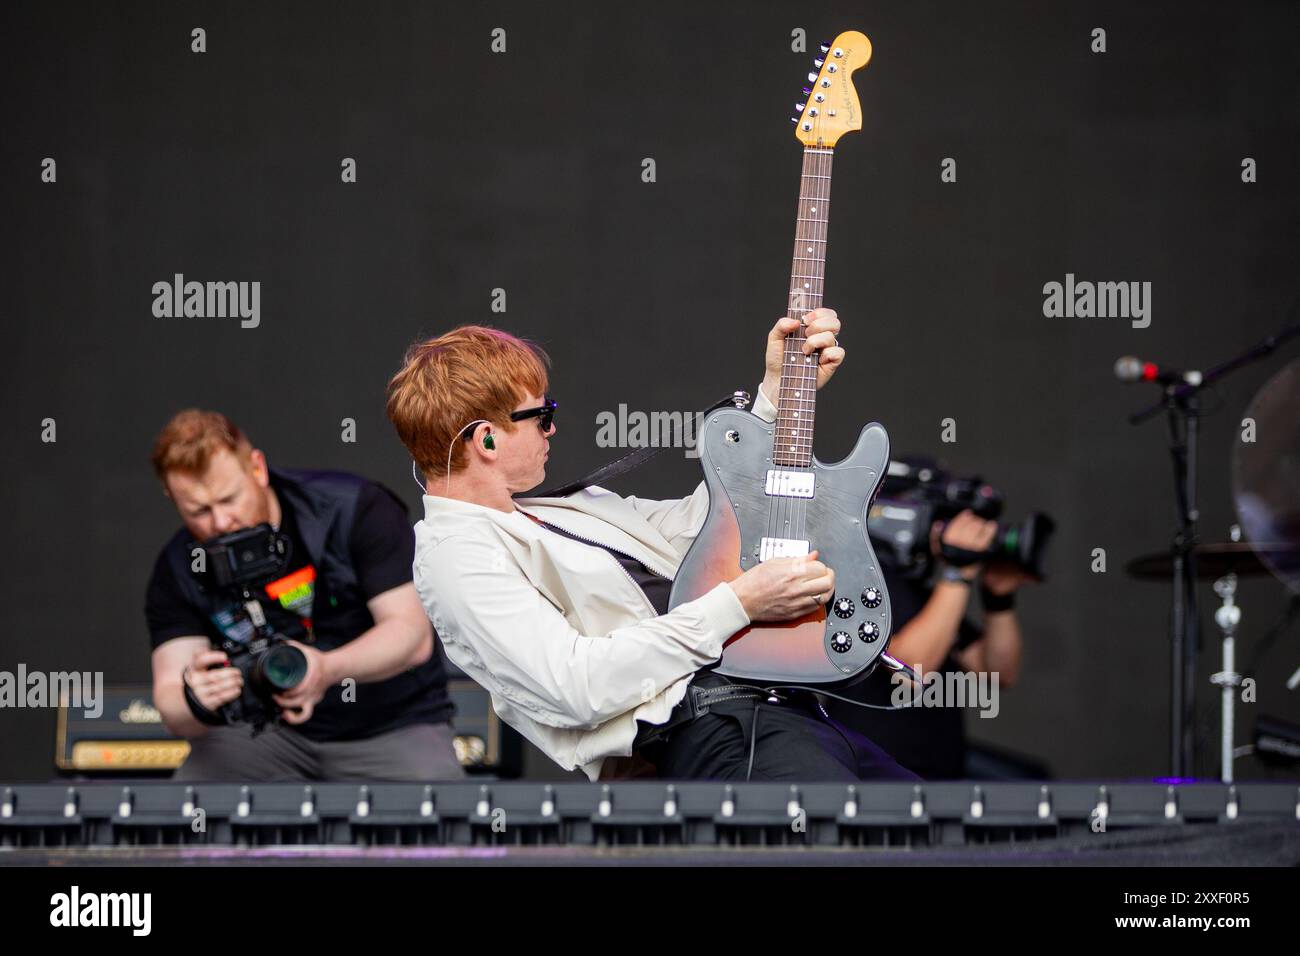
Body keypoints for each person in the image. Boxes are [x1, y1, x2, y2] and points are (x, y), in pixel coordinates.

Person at [387, 312, 918, 782]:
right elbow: (575, 685)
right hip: (710, 730)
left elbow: (707, 527)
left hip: (783, 713)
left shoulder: (553, 509)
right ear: (486, 440)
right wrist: (739, 605)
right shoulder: (455, 553)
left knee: (942, 840)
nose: (553, 428)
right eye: (542, 414)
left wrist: (776, 395)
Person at [144, 410, 464, 781]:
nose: (219, 522)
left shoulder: (354, 508)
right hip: (262, 736)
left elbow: (411, 635)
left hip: (392, 726)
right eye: (198, 510)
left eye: (230, 499)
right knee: (189, 807)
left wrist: (325, 670)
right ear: (171, 496)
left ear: (257, 468)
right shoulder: (178, 567)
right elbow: (170, 702)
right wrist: (196, 698)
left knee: (439, 815)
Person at [824, 507, 1033, 778]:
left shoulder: (929, 595)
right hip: (874, 774)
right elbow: (910, 670)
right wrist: (958, 572)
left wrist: (998, 599)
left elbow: (998, 672)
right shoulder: (864, 580)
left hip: (937, 774)